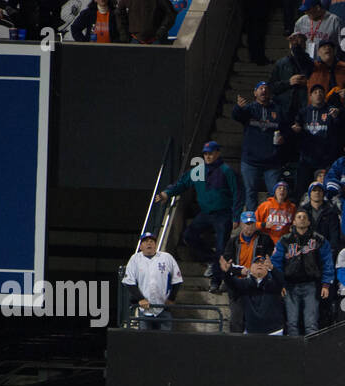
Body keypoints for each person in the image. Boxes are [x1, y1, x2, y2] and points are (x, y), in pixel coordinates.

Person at [155, 142, 244, 278]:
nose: (208, 156)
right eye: (206, 154)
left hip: (223, 214)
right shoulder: (198, 171)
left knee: (221, 246)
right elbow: (182, 183)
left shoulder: (226, 171)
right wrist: (167, 193)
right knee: (188, 235)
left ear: (217, 153)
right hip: (206, 213)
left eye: (211, 153)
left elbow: (238, 193)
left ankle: (216, 279)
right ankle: (211, 260)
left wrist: (236, 216)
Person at [271, 207, 334, 336]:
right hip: (289, 285)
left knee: (311, 324)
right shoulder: (284, 241)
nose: (302, 219)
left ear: (309, 222)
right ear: (293, 222)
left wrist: (326, 284)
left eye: (304, 217)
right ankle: (294, 354)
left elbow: (327, 262)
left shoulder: (319, 240)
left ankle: (313, 354)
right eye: (299, 217)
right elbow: (276, 263)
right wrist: (280, 283)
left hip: (311, 285)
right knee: (292, 323)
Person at [233, 82, 287, 208]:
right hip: (250, 161)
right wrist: (238, 108)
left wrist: (284, 138)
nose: (264, 90)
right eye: (260, 88)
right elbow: (237, 116)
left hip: (272, 162)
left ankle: (272, 224)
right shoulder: (250, 109)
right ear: (255, 92)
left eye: (266, 88)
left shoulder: (278, 110)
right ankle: (251, 224)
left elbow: (286, 129)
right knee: (250, 193)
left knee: (274, 194)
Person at [121, 231, 183, 330]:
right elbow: (129, 282)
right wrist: (140, 298)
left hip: (163, 307)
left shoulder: (166, 257)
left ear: (155, 245)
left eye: (151, 241)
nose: (149, 243)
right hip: (144, 309)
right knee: (145, 340)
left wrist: (171, 298)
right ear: (141, 246)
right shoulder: (135, 259)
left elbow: (177, 280)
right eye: (145, 241)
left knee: (166, 339)